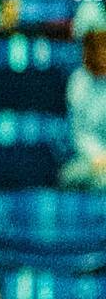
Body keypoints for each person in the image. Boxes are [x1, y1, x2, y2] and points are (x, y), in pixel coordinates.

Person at [60, 29, 106, 189]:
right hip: (85, 159)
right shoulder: (78, 82)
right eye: (99, 48)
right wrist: (98, 156)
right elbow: (78, 133)